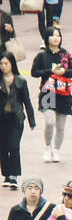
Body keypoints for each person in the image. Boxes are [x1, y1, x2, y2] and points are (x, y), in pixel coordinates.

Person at [30, 26, 72, 163]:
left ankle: (56, 150)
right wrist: (49, 72)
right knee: (50, 122)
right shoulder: (42, 55)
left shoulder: (65, 54)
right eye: (53, 35)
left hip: (63, 93)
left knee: (61, 125)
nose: (56, 38)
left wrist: (64, 72)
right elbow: (34, 72)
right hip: (48, 92)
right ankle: (47, 147)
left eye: (58, 35)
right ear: (47, 38)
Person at [0, 52, 35, 189]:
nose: (3, 66)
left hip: (16, 118)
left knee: (13, 146)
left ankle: (14, 175)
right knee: (2, 147)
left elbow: (27, 101)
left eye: (6, 63)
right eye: (1, 64)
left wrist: (31, 120)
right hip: (2, 118)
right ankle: (7, 174)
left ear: (12, 64)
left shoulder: (20, 81)